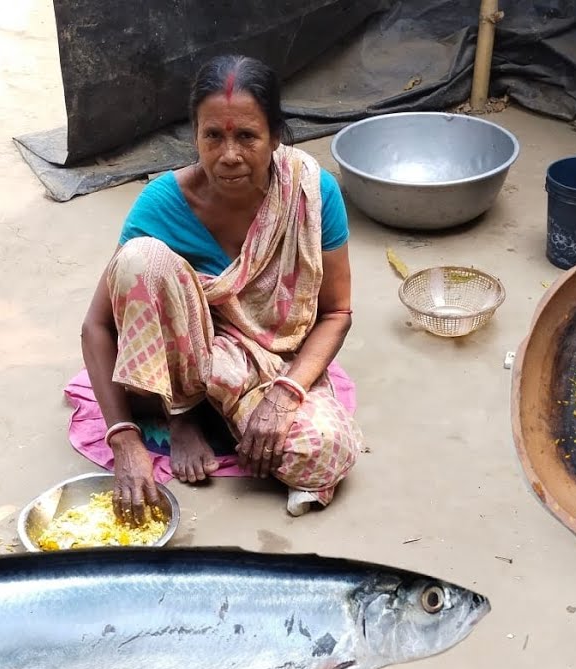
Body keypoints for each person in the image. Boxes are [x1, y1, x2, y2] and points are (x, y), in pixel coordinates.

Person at [79, 54, 363, 523]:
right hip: (173, 375)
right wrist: (124, 438)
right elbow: (96, 326)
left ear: (275, 137)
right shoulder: (163, 203)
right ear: (195, 136)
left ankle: (234, 414)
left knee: (326, 450)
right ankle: (185, 418)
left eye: (247, 136)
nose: (229, 154)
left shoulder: (311, 193)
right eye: (213, 135)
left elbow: (337, 313)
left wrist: (285, 394)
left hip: (267, 367)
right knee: (140, 260)